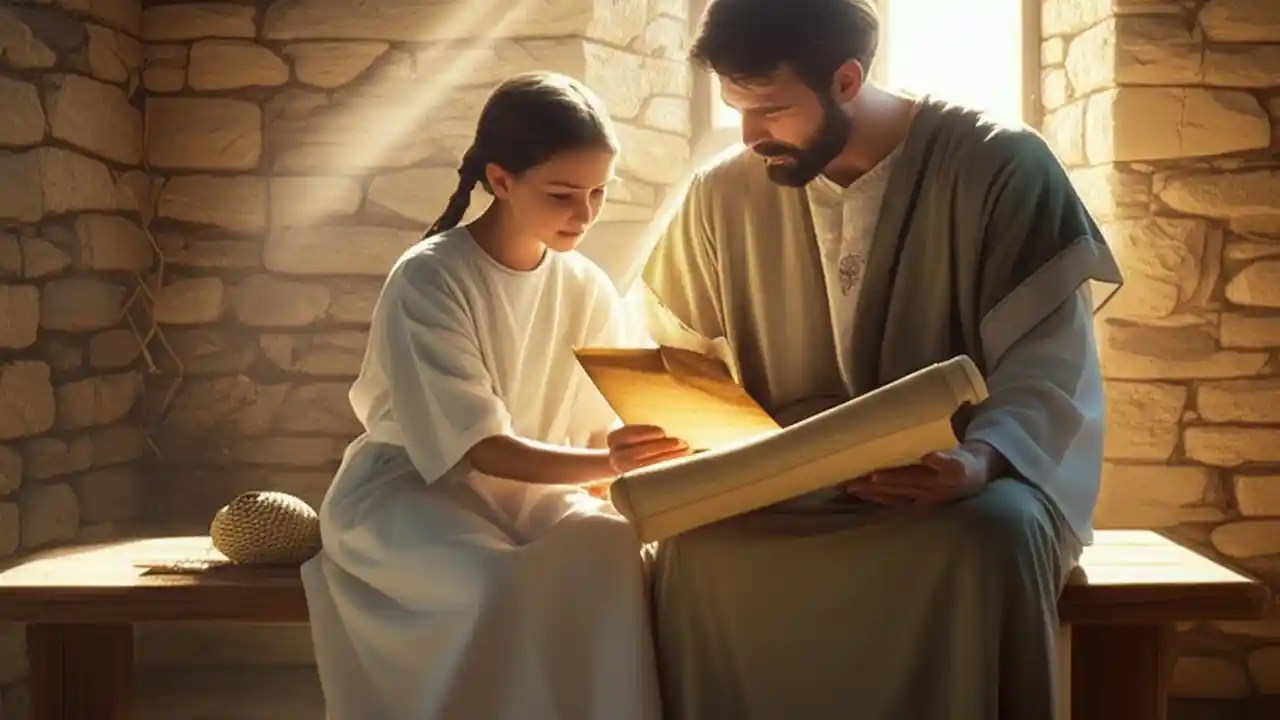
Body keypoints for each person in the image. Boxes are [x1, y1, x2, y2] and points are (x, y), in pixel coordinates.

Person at [639, 1, 1124, 718]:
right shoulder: (719, 193)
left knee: (990, 540)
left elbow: (1051, 364)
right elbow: (678, 359)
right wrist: (665, 430)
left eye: (770, 109)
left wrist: (982, 460)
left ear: (845, 79)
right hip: (781, 490)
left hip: (952, 485)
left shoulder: (1000, 165)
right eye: (737, 108)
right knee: (693, 549)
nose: (749, 135)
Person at [300, 72, 686, 720]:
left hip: (539, 493)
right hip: (411, 494)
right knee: (494, 582)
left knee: (609, 550)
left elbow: (613, 416)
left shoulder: (584, 284)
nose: (585, 215)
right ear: (501, 180)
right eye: (563, 193)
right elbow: (480, 447)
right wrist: (610, 464)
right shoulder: (429, 276)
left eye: (597, 193)